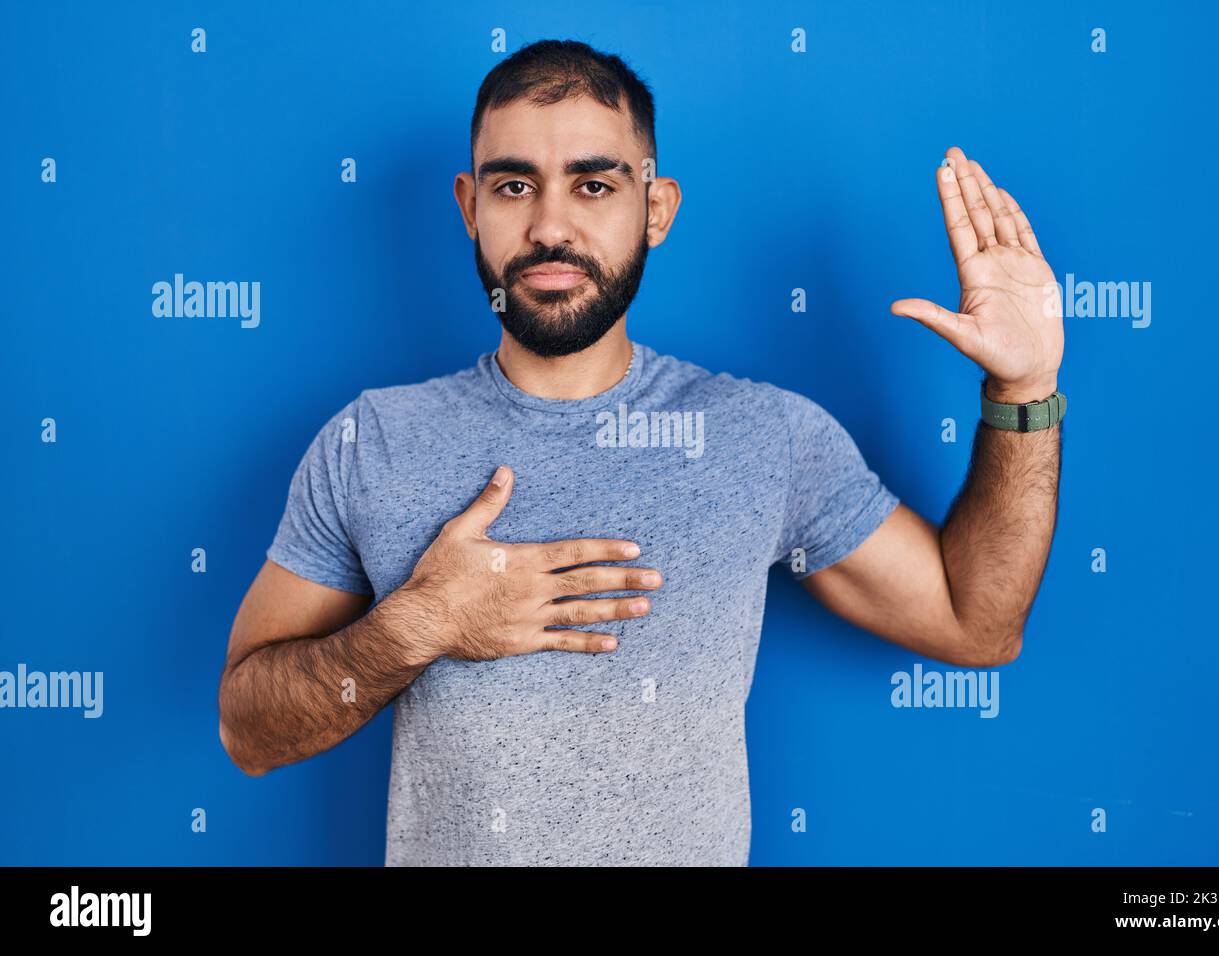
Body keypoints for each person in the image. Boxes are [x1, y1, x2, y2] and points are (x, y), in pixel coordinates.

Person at [217, 39, 1065, 866]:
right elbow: (247, 732)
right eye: (515, 185)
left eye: (593, 184)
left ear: (655, 209)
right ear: (471, 206)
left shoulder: (764, 437)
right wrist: (416, 626)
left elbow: (976, 624)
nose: (551, 226)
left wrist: (1023, 392)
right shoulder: (374, 441)